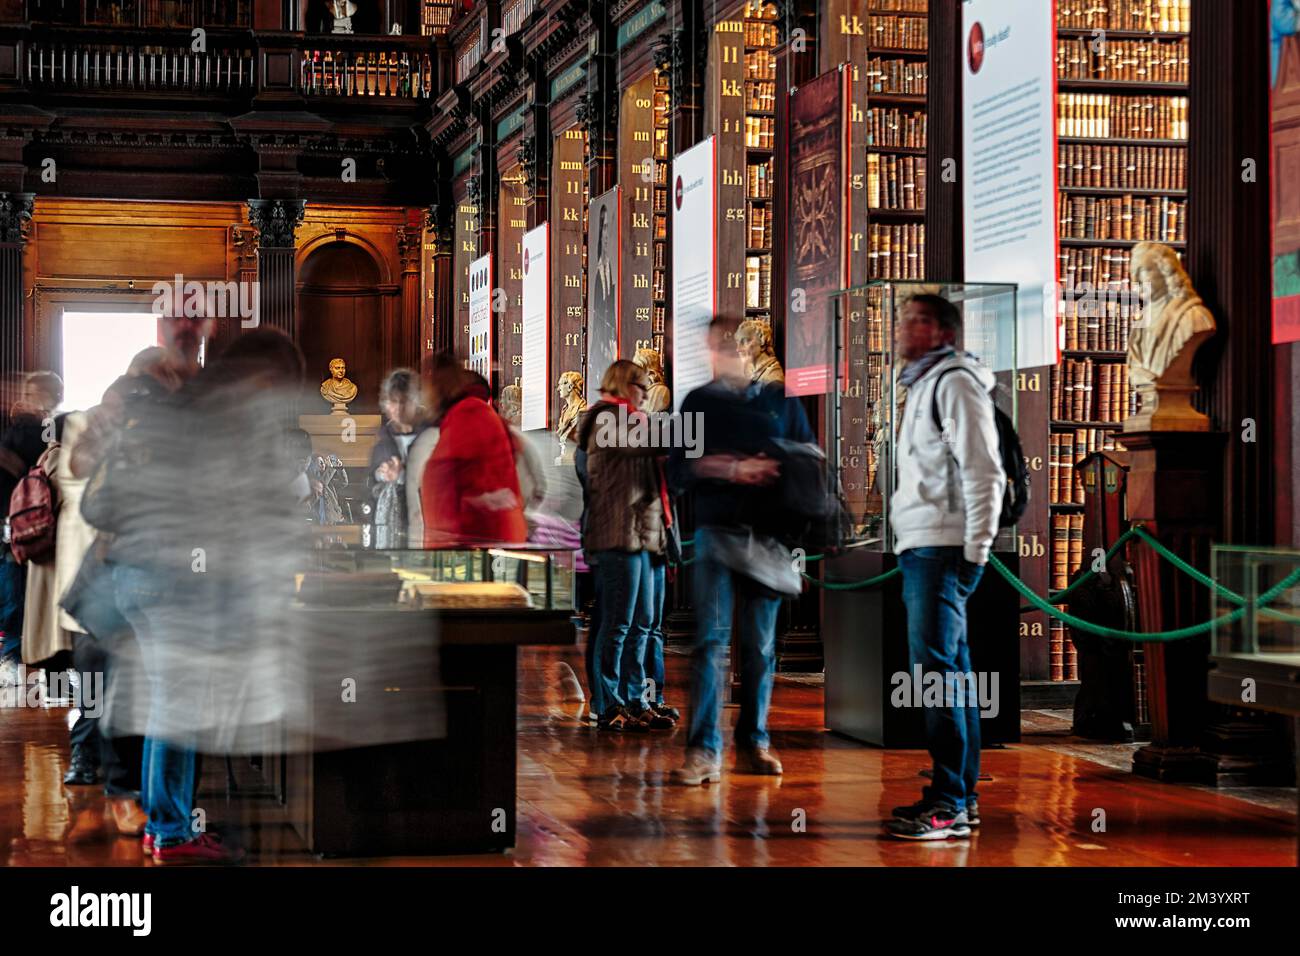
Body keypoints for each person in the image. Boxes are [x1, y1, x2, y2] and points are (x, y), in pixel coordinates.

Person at [668, 315, 813, 785]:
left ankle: (754, 741)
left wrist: (777, 467)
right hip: (718, 533)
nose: (727, 352)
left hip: (769, 536)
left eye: (733, 344)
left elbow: (808, 457)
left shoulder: (778, 399)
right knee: (710, 643)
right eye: (719, 345)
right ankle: (704, 750)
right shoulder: (698, 403)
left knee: (761, 647)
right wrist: (729, 469)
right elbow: (677, 472)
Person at [884, 294, 1005, 841]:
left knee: (936, 677)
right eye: (902, 319)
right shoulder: (924, 384)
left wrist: (975, 551)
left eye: (917, 320)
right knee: (951, 675)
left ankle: (948, 803)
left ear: (944, 332)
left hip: (943, 549)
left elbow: (984, 471)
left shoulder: (954, 382)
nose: (903, 328)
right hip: (926, 546)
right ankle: (961, 795)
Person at [575, 359, 674, 732]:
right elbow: (639, 450)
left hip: (646, 534)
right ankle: (608, 702)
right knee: (618, 623)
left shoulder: (635, 421)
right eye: (641, 387)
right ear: (623, 384)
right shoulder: (605, 420)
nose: (646, 394)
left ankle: (637, 700)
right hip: (619, 535)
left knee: (644, 623)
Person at [0, 372, 65, 690]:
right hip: (28, 528)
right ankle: (18, 663)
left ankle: (28, 667)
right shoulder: (28, 431)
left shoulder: (54, 429)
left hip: (33, 529)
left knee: (29, 599)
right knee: (19, 598)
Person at [420, 358, 527, 546]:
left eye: (427, 387)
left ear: (441, 387)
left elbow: (445, 475)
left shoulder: (470, 413)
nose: (424, 397)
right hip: (473, 540)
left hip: (476, 541)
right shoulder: (466, 414)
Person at [368, 368, 425, 549]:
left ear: (416, 402)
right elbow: (369, 487)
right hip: (389, 533)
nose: (398, 408)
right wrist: (381, 476)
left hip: (425, 531)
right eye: (393, 402)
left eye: (404, 401)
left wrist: (402, 477)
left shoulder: (431, 436)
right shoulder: (381, 443)